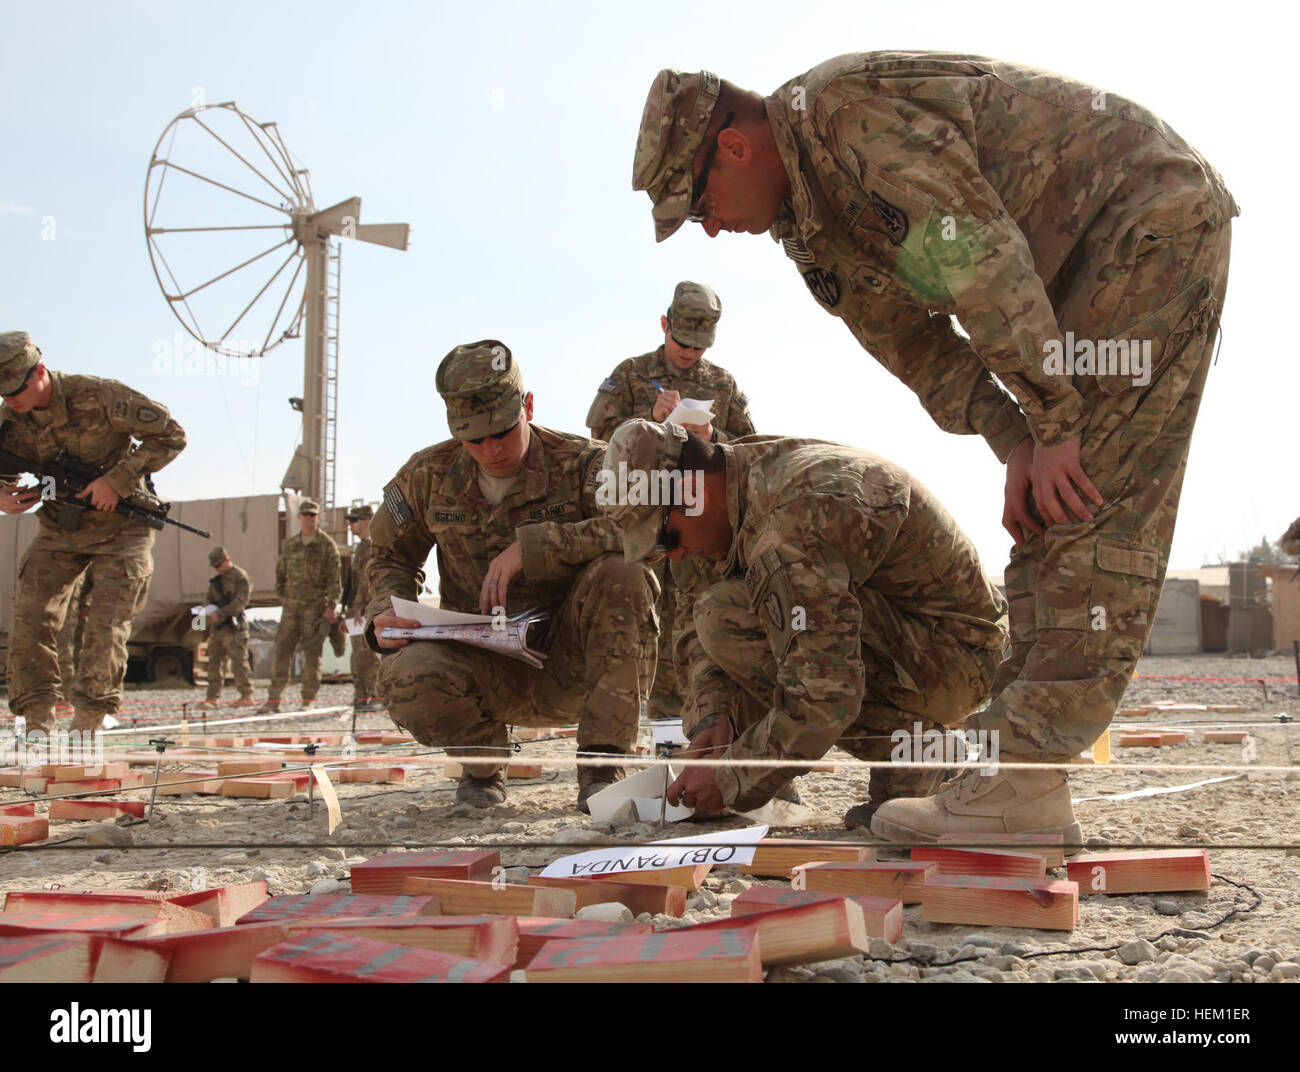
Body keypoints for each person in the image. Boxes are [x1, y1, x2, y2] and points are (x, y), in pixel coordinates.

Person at [631, 54, 1237, 843]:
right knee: (1049, 513)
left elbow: (977, 255)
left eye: (701, 202)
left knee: (1095, 502)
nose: (711, 227)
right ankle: (1005, 776)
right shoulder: (807, 225)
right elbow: (912, 343)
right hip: (1062, 277)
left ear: (735, 147)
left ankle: (1017, 784)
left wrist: (1054, 418)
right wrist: (1014, 436)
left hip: (1137, 223)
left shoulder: (844, 115)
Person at [600, 419, 1008, 824]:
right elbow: (694, 629)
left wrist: (732, 777)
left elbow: (826, 688)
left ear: (695, 492)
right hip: (900, 641)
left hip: (955, 658)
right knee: (720, 612)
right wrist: (715, 714)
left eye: (666, 537)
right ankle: (885, 759)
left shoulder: (793, 520)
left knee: (728, 613)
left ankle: (916, 756)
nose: (673, 555)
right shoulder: (728, 490)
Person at [365, 341, 659, 811]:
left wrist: (538, 545)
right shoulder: (428, 475)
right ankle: (483, 765)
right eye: (474, 439)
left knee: (624, 573)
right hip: (482, 666)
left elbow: (643, 529)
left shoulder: (584, 464)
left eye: (502, 432)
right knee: (406, 677)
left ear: (529, 405)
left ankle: (603, 770)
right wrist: (386, 610)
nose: (491, 449)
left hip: (573, 663)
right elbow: (386, 557)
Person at [0, 331, 187, 736]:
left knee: (106, 627)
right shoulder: (9, 418)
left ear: (41, 372)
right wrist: (2, 493)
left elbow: (172, 435)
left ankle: (87, 726)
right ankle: (37, 727)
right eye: (2, 391)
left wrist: (117, 480)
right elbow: (4, 466)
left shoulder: (102, 396)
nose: (10, 398)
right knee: (31, 618)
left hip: (124, 527)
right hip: (59, 526)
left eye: (16, 387)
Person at [587, 280, 755, 724]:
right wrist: (649, 420)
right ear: (665, 325)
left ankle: (708, 728)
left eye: (700, 347)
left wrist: (714, 438)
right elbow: (598, 441)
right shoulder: (629, 373)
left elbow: (751, 449)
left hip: (700, 526)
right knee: (653, 633)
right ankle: (664, 739)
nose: (690, 353)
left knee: (699, 627)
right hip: (645, 523)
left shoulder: (722, 383)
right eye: (683, 342)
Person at [259, 498, 340, 712]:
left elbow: (335, 579)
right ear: (299, 518)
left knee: (312, 654)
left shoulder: (326, 545)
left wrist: (331, 606)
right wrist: (285, 599)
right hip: (291, 609)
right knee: (282, 651)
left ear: (318, 517)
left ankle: (308, 700)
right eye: (305, 515)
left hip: (314, 609)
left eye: (313, 515)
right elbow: (280, 576)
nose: (309, 518)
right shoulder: (290, 545)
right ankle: (273, 700)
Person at [199, 546, 254, 708]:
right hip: (218, 628)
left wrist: (220, 613)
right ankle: (212, 698)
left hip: (234, 627)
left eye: (219, 565)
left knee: (239, 662)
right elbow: (208, 599)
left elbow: (239, 603)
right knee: (214, 663)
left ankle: (246, 695)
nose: (217, 569)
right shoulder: (217, 582)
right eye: (215, 566)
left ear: (227, 560)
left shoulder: (240, 578)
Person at [342, 504, 383, 713]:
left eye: (354, 520)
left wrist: (357, 606)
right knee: (358, 653)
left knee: (367, 653)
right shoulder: (362, 546)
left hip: (366, 607)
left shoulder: (370, 544)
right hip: (358, 607)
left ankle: (377, 695)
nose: (350, 525)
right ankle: (362, 695)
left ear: (366, 521)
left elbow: (366, 581)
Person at [55, 572, 91, 713]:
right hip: (64, 612)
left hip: (72, 614)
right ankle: (67, 697)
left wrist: (87, 604)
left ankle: (67, 698)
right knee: (65, 653)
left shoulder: (81, 563)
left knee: (67, 653)